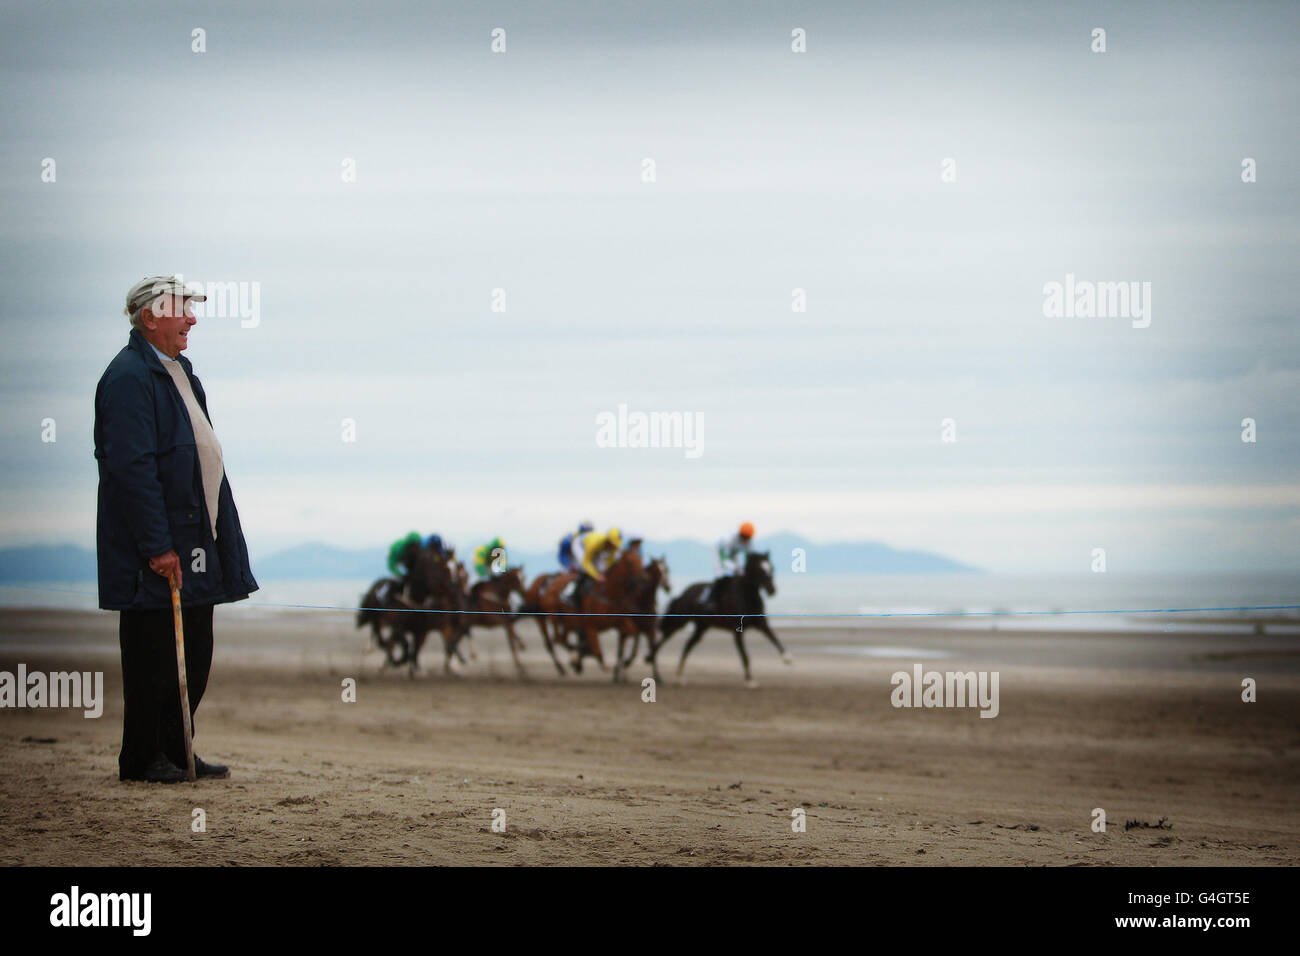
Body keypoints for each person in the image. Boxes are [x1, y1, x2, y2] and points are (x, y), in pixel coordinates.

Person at [95, 276, 258, 784]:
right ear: (150, 317)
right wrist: (157, 545)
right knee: (153, 657)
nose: (192, 318)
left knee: (195, 653)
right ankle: (142, 758)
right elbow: (132, 468)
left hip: (197, 540)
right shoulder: (128, 377)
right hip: (158, 549)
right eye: (182, 309)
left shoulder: (180, 371)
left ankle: (177, 749)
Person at [572, 526, 623, 604]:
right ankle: (571, 593)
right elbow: (586, 562)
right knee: (584, 568)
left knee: (600, 568)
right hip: (580, 545)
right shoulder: (594, 544)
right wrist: (596, 576)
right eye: (612, 544)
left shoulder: (614, 547)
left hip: (596, 549)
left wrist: (604, 573)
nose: (613, 547)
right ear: (608, 541)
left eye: (615, 545)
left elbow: (610, 562)